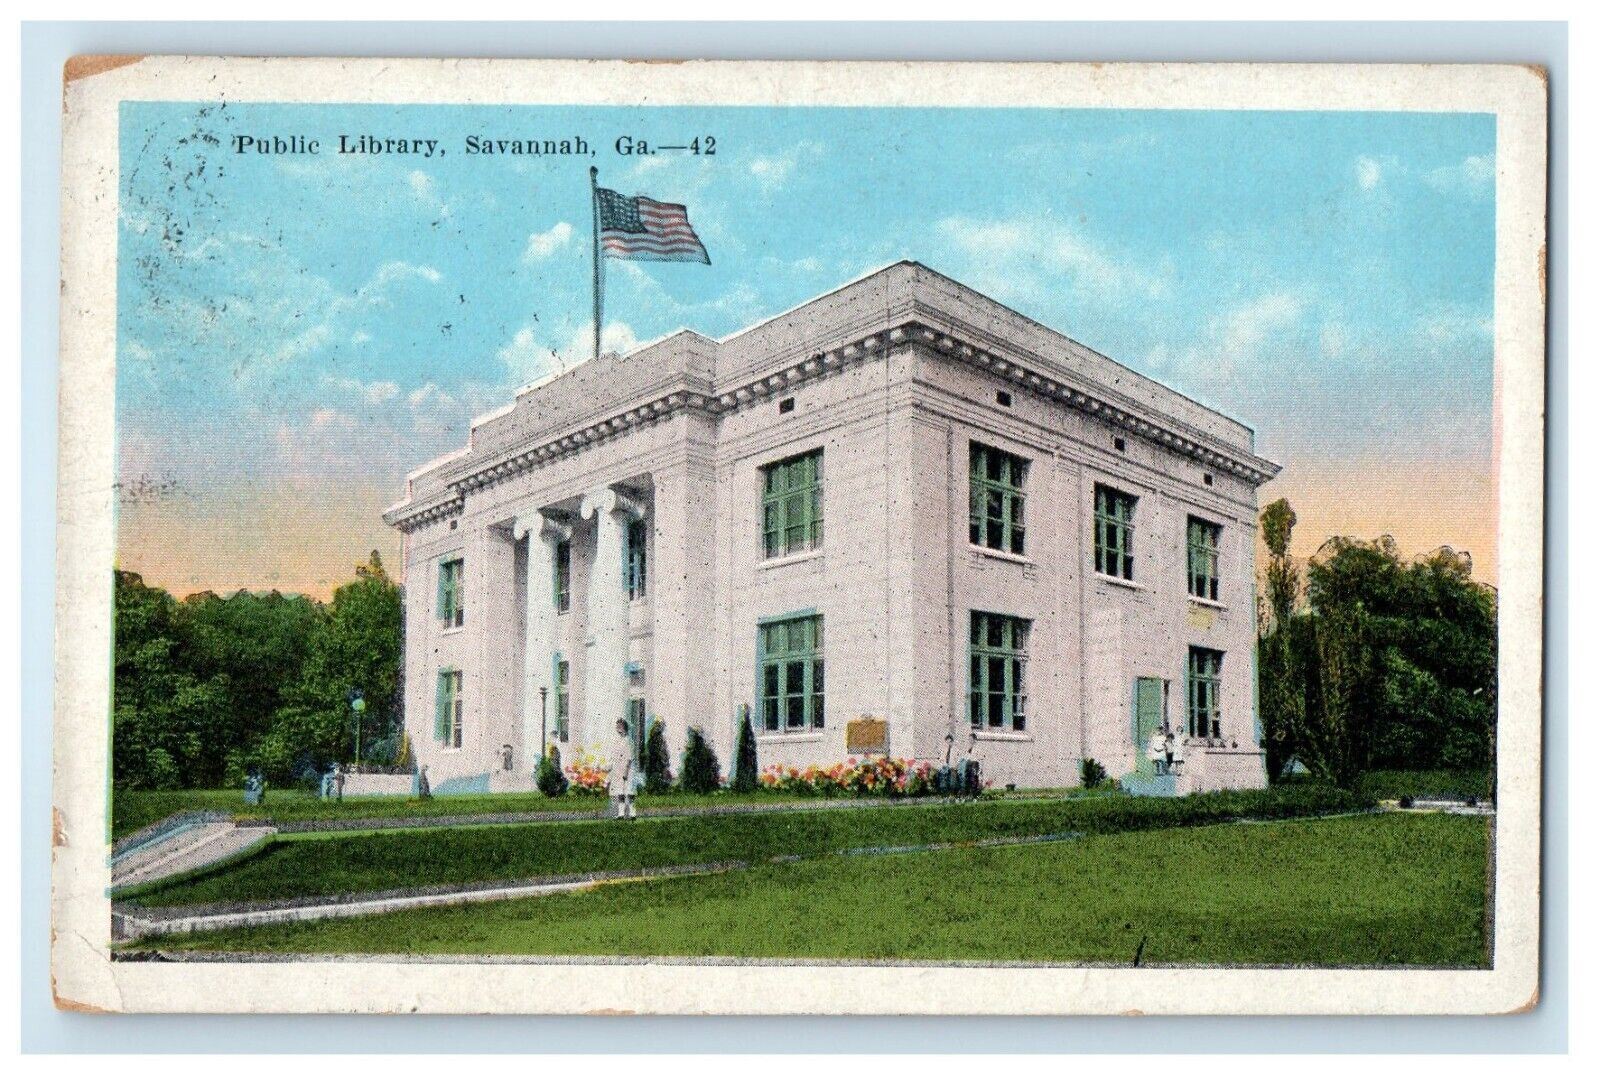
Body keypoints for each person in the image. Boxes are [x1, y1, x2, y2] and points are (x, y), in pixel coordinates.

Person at [608, 718, 637, 820]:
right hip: (618, 769)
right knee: (619, 791)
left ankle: (633, 814)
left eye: (619, 726)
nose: (618, 728)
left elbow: (629, 758)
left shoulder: (628, 740)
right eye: (617, 727)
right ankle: (621, 814)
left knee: (629, 792)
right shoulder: (617, 740)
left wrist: (626, 772)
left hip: (627, 769)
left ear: (624, 727)